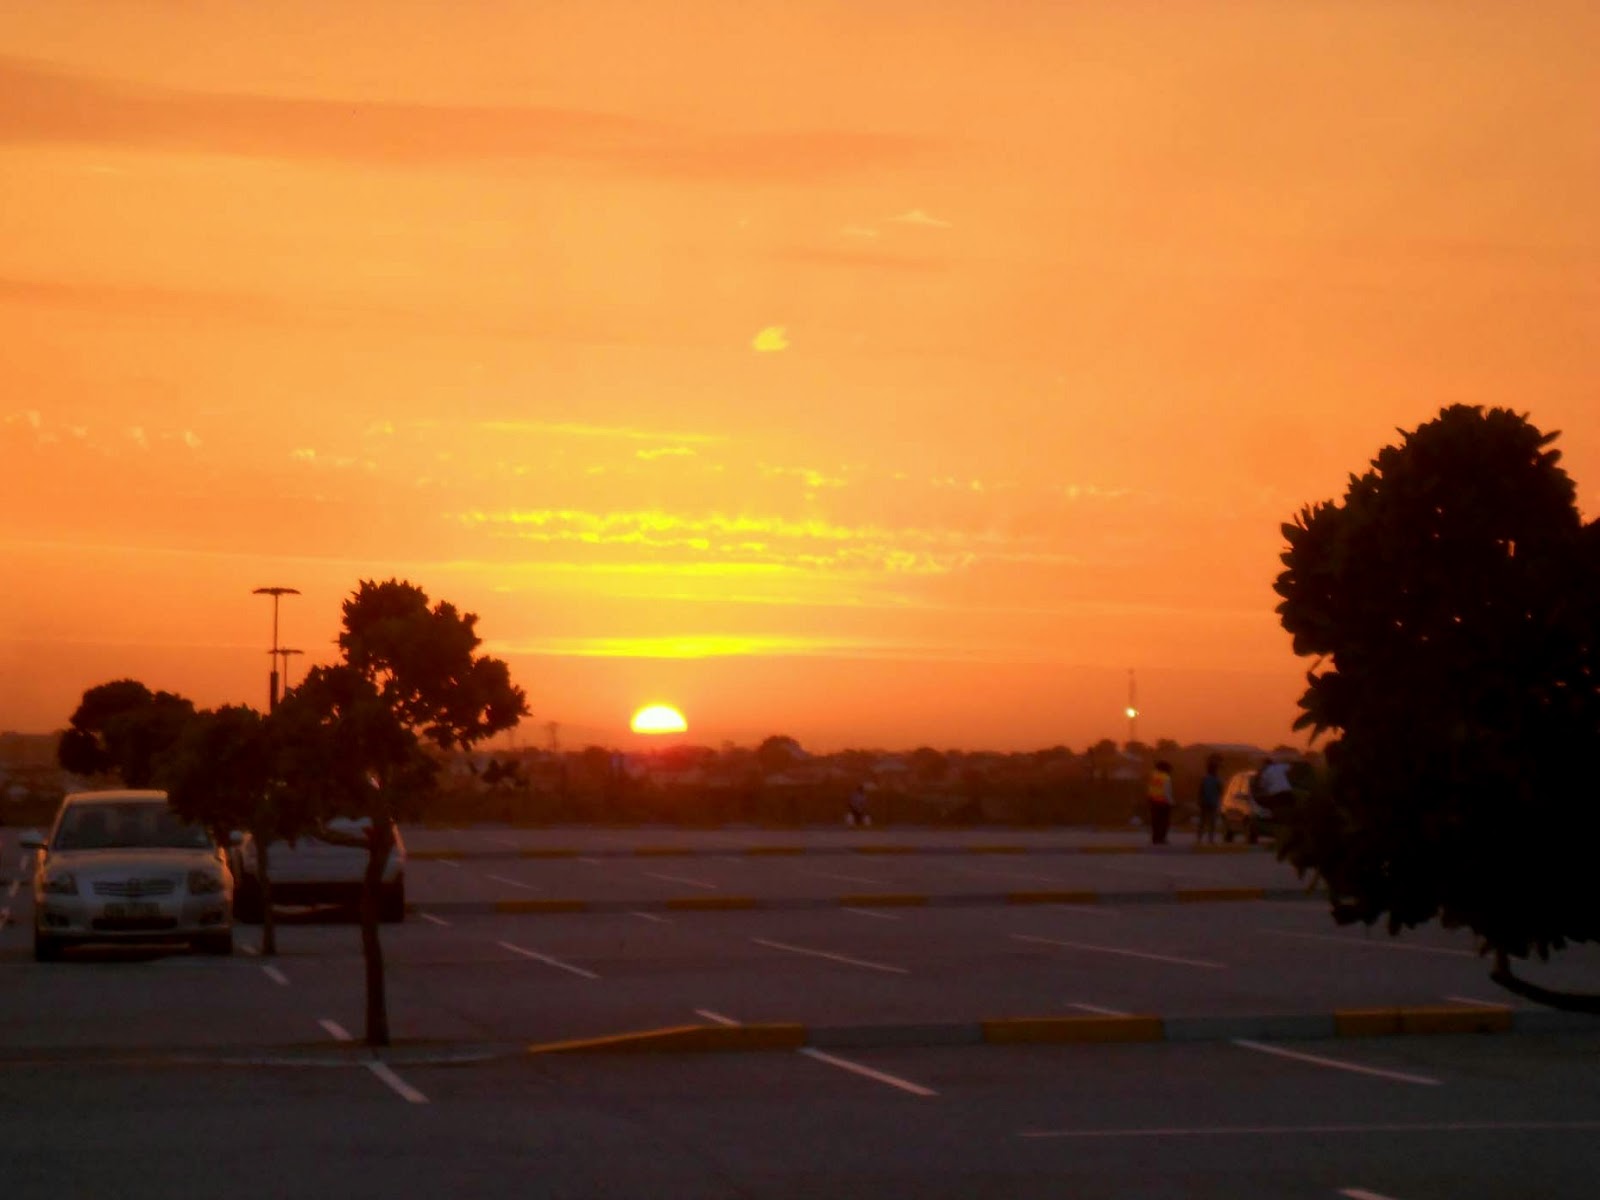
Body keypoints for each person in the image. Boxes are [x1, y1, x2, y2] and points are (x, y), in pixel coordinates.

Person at [1196, 754, 1223, 844]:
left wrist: (1199, 800)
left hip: (1204, 802)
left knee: (1202, 821)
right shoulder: (1217, 780)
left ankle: (1199, 838)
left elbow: (1200, 790)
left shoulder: (1204, 779)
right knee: (1212, 822)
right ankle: (1210, 839)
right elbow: (1220, 791)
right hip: (1213, 802)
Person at [1146, 760, 1174, 845]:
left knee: (1155, 821)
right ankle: (1162, 838)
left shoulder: (1153, 776)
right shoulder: (1166, 777)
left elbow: (1150, 789)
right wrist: (1171, 802)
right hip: (1163, 802)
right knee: (1164, 822)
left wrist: (1149, 799)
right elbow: (1167, 792)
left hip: (1153, 801)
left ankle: (1155, 838)